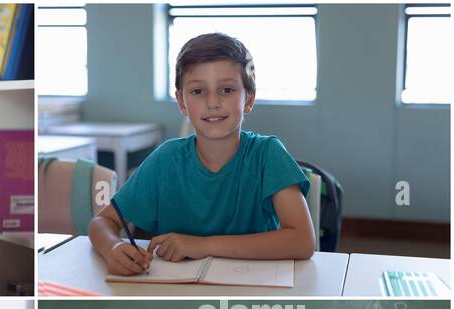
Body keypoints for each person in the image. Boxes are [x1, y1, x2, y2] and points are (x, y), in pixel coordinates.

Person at [89, 32, 315, 276]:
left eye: (227, 90)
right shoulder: (166, 160)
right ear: (182, 102)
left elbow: (302, 241)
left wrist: (201, 245)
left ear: (248, 98)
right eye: (198, 91)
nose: (213, 102)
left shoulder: (267, 154)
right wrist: (113, 247)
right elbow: (101, 222)